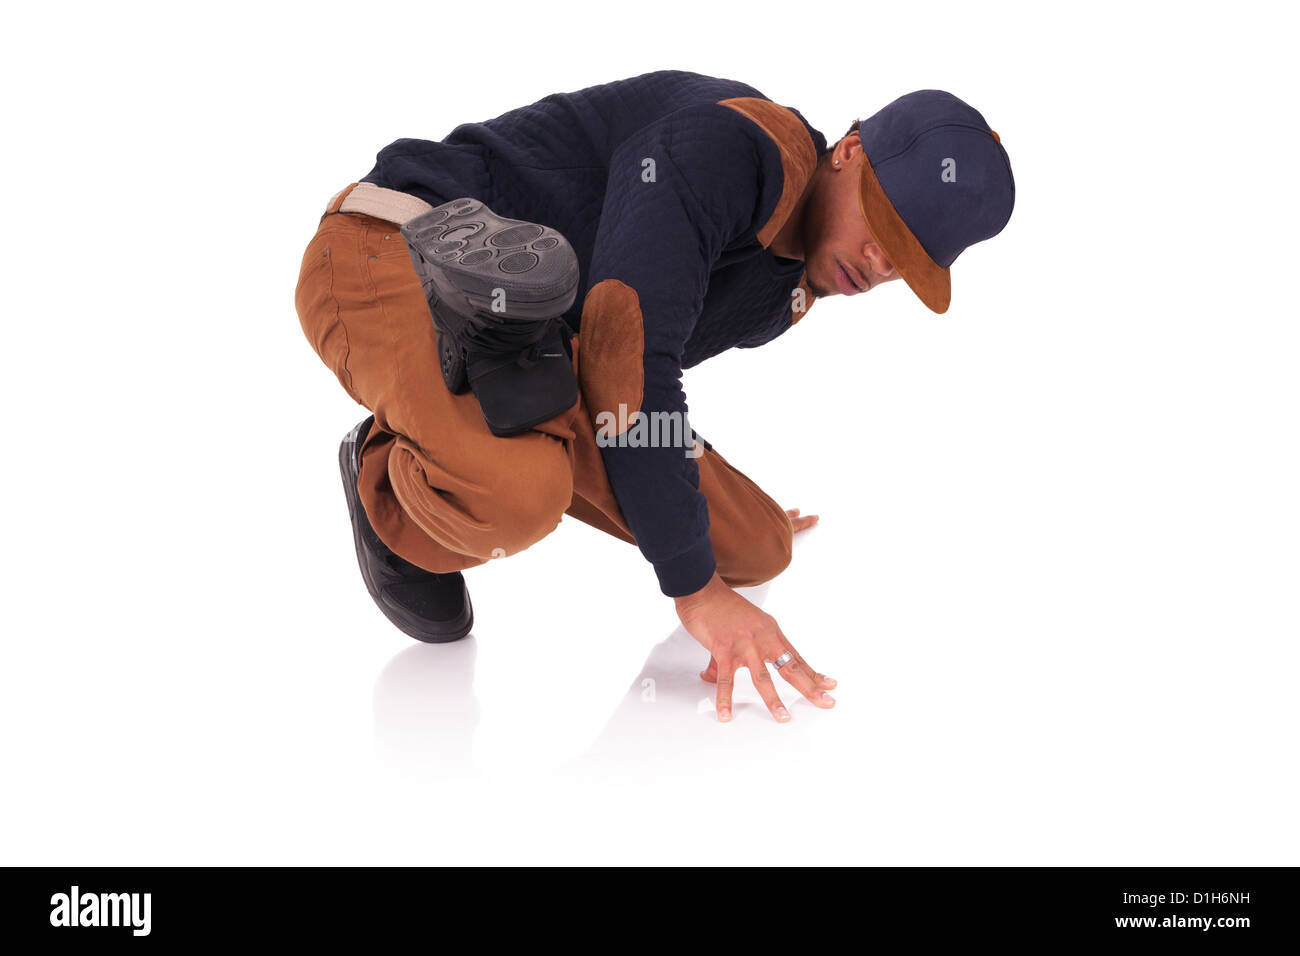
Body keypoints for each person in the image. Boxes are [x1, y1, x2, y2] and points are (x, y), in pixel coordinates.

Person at [294, 70, 1015, 723]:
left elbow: (631, 370)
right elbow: (629, 356)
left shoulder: (793, 288)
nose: (881, 262)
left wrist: (703, 518)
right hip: (399, 245)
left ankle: (464, 426)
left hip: (540, 349)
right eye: (884, 225)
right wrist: (694, 588)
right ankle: (384, 469)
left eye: (910, 258)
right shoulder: (730, 148)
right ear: (851, 151)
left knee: (758, 548)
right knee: (518, 494)